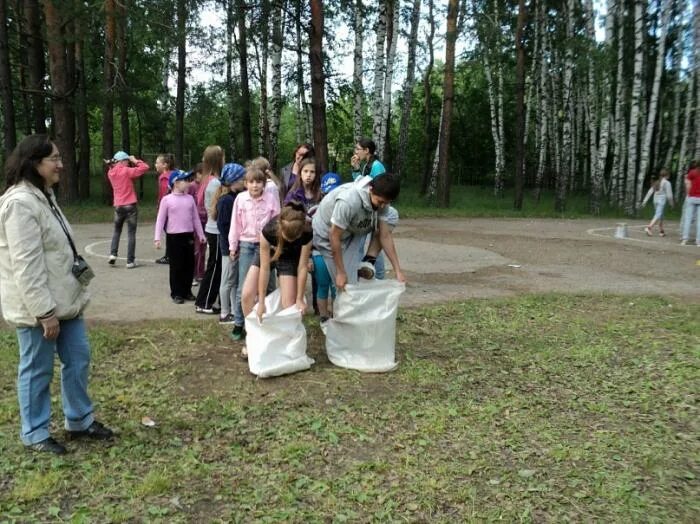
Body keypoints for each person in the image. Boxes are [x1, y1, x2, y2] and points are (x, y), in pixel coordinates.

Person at [0, 135, 114, 454]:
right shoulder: (19, 203)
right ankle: (35, 431)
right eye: (54, 158)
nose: (61, 164)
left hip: (66, 303)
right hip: (40, 309)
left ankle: (78, 420)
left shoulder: (43, 195)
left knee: (78, 359)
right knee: (37, 368)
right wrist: (44, 312)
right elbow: (26, 264)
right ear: (35, 164)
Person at [239, 202, 313, 358]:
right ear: (280, 227)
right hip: (269, 254)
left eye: (295, 238)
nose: (291, 241)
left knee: (290, 304)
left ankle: (288, 344)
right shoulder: (268, 231)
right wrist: (262, 302)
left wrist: (300, 298)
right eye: (288, 238)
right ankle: (252, 337)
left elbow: (302, 267)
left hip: (290, 259)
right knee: (247, 294)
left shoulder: (307, 232)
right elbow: (265, 268)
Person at [312, 173, 406, 292]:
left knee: (391, 215)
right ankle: (345, 300)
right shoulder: (349, 201)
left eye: (386, 203)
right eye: (380, 201)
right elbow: (333, 235)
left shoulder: (381, 199)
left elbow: (385, 235)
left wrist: (397, 270)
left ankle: (368, 260)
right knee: (347, 286)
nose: (382, 206)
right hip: (327, 234)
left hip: (351, 229)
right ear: (370, 189)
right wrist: (340, 272)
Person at [228, 167, 281, 340]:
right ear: (246, 184)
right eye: (251, 182)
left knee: (269, 284)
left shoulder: (271, 199)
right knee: (244, 286)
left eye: (259, 182)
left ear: (264, 184)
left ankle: (269, 319)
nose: (255, 185)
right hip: (246, 245)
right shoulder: (240, 199)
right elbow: (235, 224)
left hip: (267, 246)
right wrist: (232, 246)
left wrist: (278, 245)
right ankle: (239, 323)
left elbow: (278, 223)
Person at [154, 170, 206, 304]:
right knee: (177, 266)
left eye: (189, 179)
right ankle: (176, 292)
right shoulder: (167, 200)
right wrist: (157, 238)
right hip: (174, 237)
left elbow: (195, 218)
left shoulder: (189, 199)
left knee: (189, 264)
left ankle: (187, 291)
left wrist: (200, 234)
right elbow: (160, 219)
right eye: (185, 180)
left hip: (188, 235)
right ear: (176, 183)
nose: (188, 182)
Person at [213, 163, 247, 324]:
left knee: (233, 280)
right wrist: (231, 247)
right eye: (242, 179)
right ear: (234, 180)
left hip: (235, 246)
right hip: (228, 248)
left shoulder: (234, 197)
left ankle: (234, 310)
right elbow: (224, 226)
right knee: (226, 281)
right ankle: (224, 312)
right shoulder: (226, 200)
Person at [194, 146, 224, 314]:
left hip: (213, 228)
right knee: (214, 266)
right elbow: (214, 209)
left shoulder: (209, 179)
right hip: (216, 229)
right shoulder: (214, 182)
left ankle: (207, 300)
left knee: (215, 265)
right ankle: (204, 302)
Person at [107, 150, 150, 268]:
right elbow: (145, 167)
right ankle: (130, 261)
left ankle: (113, 254)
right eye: (126, 161)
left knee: (117, 231)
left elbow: (115, 168)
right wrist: (135, 160)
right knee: (131, 233)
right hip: (130, 205)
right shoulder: (126, 171)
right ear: (122, 161)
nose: (128, 163)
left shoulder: (110, 172)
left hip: (118, 206)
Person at [312, 172, 342, 322]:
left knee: (338, 288)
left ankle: (339, 316)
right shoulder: (314, 210)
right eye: (328, 192)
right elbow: (309, 236)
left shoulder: (345, 208)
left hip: (339, 255)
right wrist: (308, 258)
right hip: (319, 254)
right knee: (323, 286)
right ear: (323, 191)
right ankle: (324, 316)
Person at [155, 153, 176, 264]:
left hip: (168, 210)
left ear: (165, 165)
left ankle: (169, 256)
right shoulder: (174, 174)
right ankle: (171, 255)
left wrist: (161, 209)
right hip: (176, 208)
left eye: (157, 163)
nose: (155, 165)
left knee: (169, 232)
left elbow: (164, 196)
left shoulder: (164, 178)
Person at [642, 169, 674, 237]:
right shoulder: (667, 183)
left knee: (660, 216)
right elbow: (669, 196)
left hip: (655, 200)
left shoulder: (657, 182)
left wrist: (644, 201)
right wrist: (671, 204)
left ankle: (661, 231)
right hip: (661, 200)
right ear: (667, 175)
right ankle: (649, 227)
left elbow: (650, 192)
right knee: (658, 215)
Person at [188, 163, 206, 284]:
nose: (202, 176)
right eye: (200, 173)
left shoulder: (207, 185)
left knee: (203, 248)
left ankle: (200, 272)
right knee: (196, 249)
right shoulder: (192, 186)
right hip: (195, 221)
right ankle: (194, 273)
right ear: (196, 174)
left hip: (206, 220)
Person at [681, 160, 700, 246]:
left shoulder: (692, 172)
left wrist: (688, 194)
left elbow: (688, 184)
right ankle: (698, 241)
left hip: (692, 197)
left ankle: (685, 239)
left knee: (688, 219)